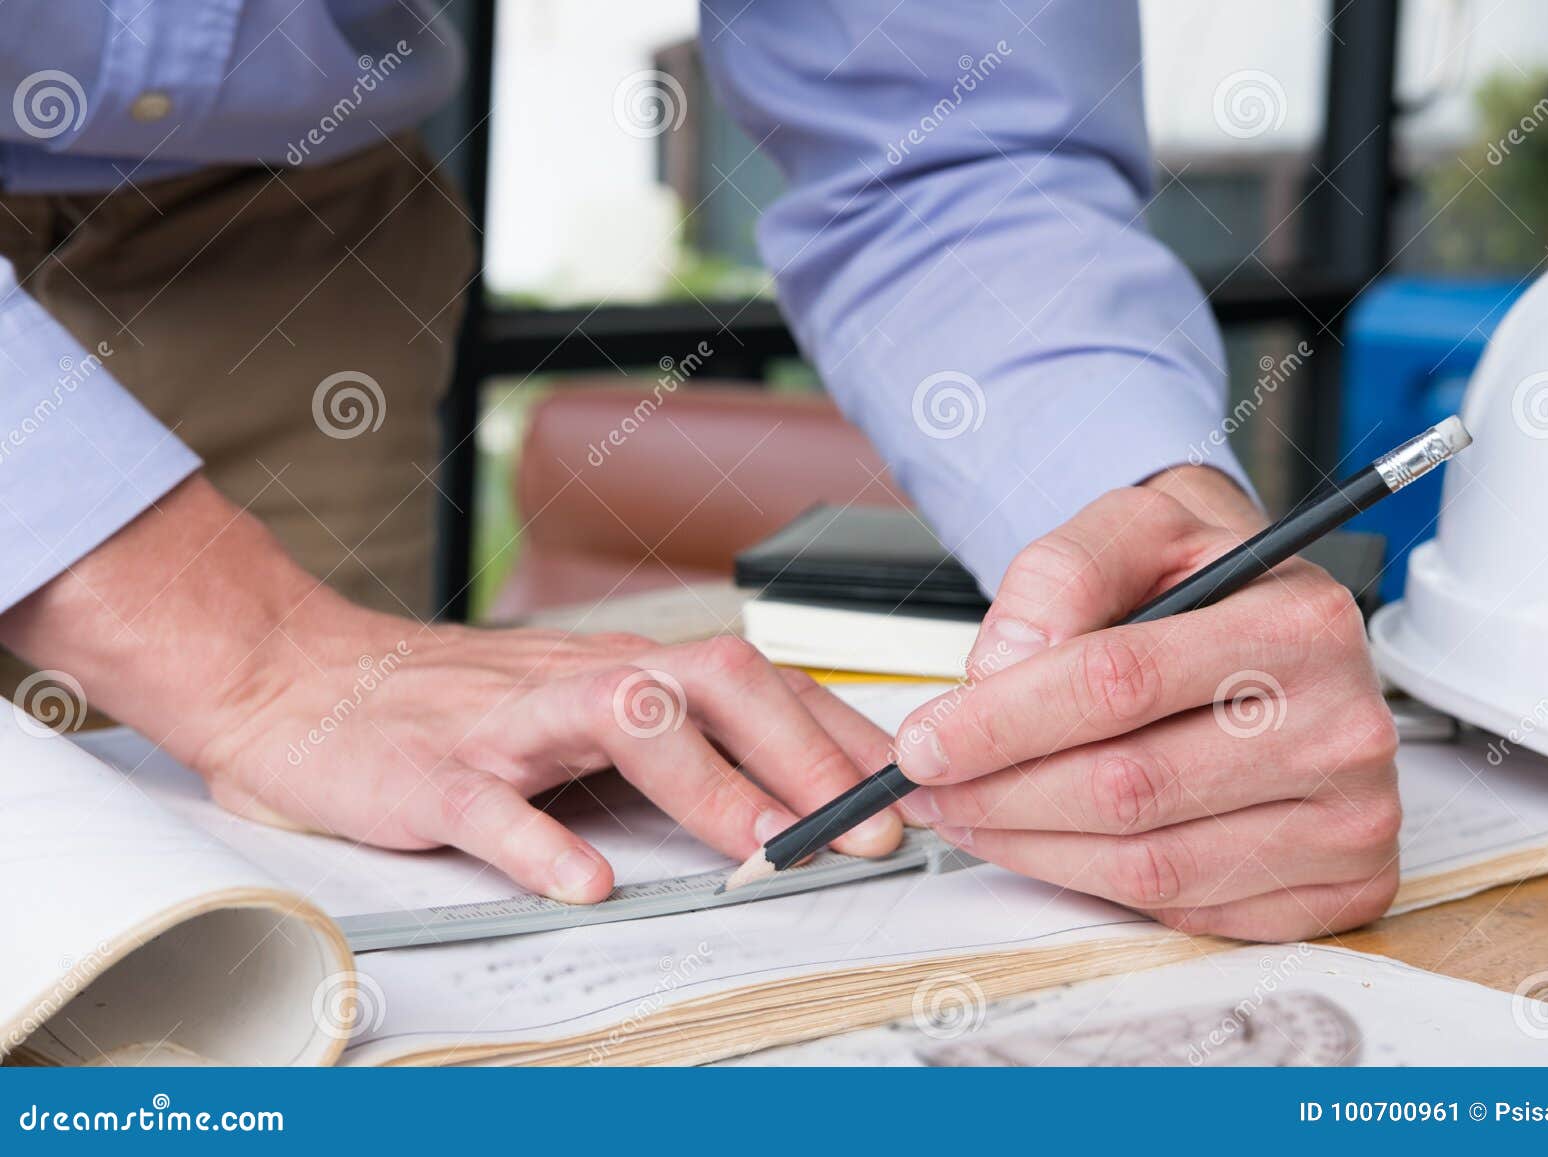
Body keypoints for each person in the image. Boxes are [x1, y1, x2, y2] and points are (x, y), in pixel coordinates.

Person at [0, 1, 1398, 940]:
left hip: (276, 236)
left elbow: (944, 141)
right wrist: (254, 658)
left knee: (255, 971)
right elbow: (256, 671)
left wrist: (1140, 511)